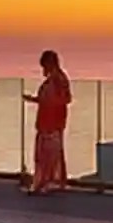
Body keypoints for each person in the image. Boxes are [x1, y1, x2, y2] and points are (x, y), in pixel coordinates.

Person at [23, 50, 73, 195]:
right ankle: (44, 181)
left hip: (52, 121)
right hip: (47, 120)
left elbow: (66, 99)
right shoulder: (54, 80)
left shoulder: (59, 80)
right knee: (46, 153)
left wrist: (49, 103)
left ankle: (48, 182)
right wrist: (34, 99)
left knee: (49, 153)